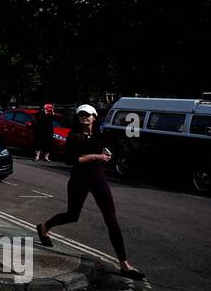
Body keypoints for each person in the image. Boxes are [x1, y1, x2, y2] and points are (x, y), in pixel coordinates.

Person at [36, 104, 146, 281]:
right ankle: (44, 227)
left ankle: (124, 264)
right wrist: (95, 156)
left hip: (98, 178)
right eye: (81, 115)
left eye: (87, 115)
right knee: (72, 215)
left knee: (111, 219)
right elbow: (69, 160)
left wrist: (105, 155)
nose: (84, 117)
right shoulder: (74, 136)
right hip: (79, 179)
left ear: (94, 116)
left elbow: (105, 150)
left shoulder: (99, 134)